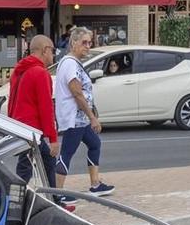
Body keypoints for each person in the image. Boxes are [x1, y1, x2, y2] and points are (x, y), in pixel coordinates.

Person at [54, 27, 113, 195]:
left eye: (90, 42)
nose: (88, 46)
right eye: (84, 42)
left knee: (95, 144)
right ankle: (57, 193)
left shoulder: (73, 63)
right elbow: (77, 93)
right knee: (66, 153)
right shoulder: (69, 64)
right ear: (73, 43)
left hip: (80, 118)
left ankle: (95, 184)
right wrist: (92, 117)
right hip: (75, 118)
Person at [6, 34, 59, 187]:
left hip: (20, 126)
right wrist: (53, 138)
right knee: (26, 168)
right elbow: (46, 107)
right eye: (52, 50)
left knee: (41, 162)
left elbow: (13, 100)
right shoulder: (41, 73)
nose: (53, 54)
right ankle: (14, 202)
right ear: (45, 50)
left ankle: (53, 199)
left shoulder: (20, 70)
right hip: (32, 130)